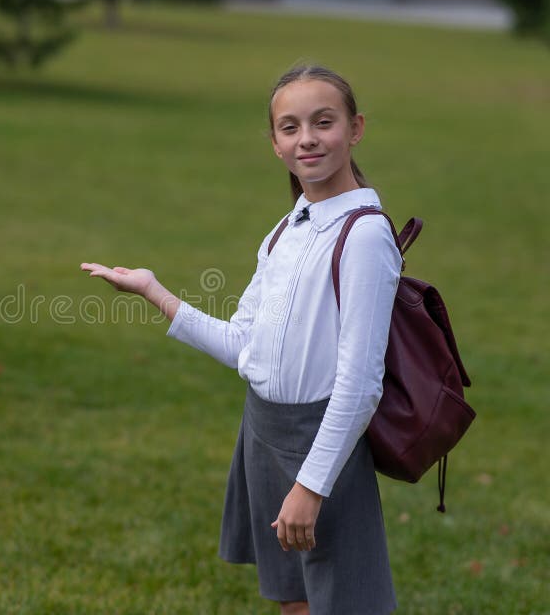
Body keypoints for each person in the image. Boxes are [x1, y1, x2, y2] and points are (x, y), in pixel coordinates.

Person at [80, 64, 400, 615]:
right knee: (293, 600)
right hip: (263, 431)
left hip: (319, 443)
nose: (308, 139)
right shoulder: (286, 229)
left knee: (343, 604)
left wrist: (312, 486)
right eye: (290, 127)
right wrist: (154, 291)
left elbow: (360, 384)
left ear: (356, 128)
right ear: (275, 143)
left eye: (324, 122)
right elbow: (243, 348)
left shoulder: (365, 235)